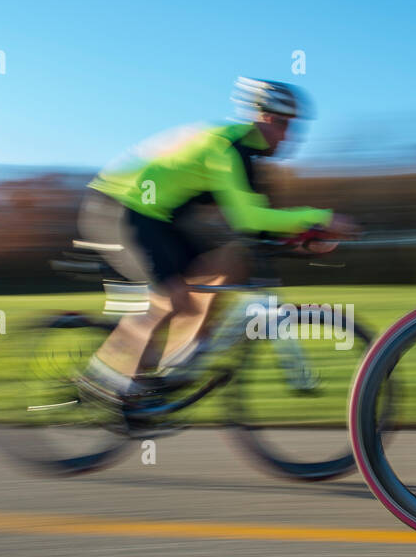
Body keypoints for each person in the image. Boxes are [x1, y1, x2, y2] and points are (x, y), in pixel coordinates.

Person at [77, 78, 355, 400]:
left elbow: (257, 229)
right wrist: (318, 217)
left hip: (160, 216)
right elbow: (250, 219)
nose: (288, 135)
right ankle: (106, 380)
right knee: (173, 294)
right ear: (261, 118)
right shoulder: (228, 149)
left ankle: (174, 362)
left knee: (228, 263)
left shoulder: (250, 157)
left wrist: (304, 237)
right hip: (119, 208)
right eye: (281, 124)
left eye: (292, 126)